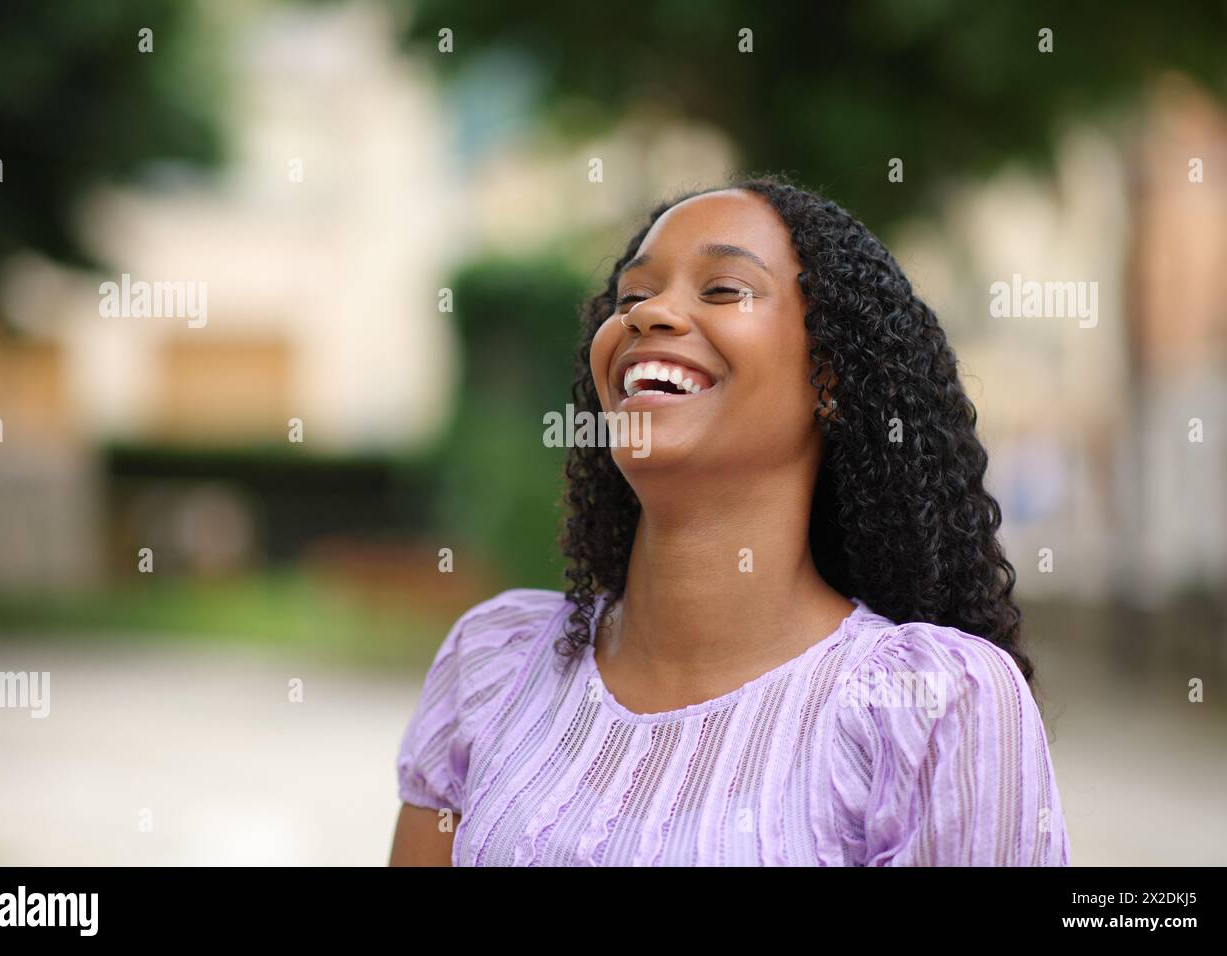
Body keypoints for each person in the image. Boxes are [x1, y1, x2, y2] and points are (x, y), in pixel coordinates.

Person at [388, 174, 1070, 866]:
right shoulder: (495, 662)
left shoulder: (929, 705)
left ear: (829, 380)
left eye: (722, 290)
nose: (648, 316)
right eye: (632, 296)